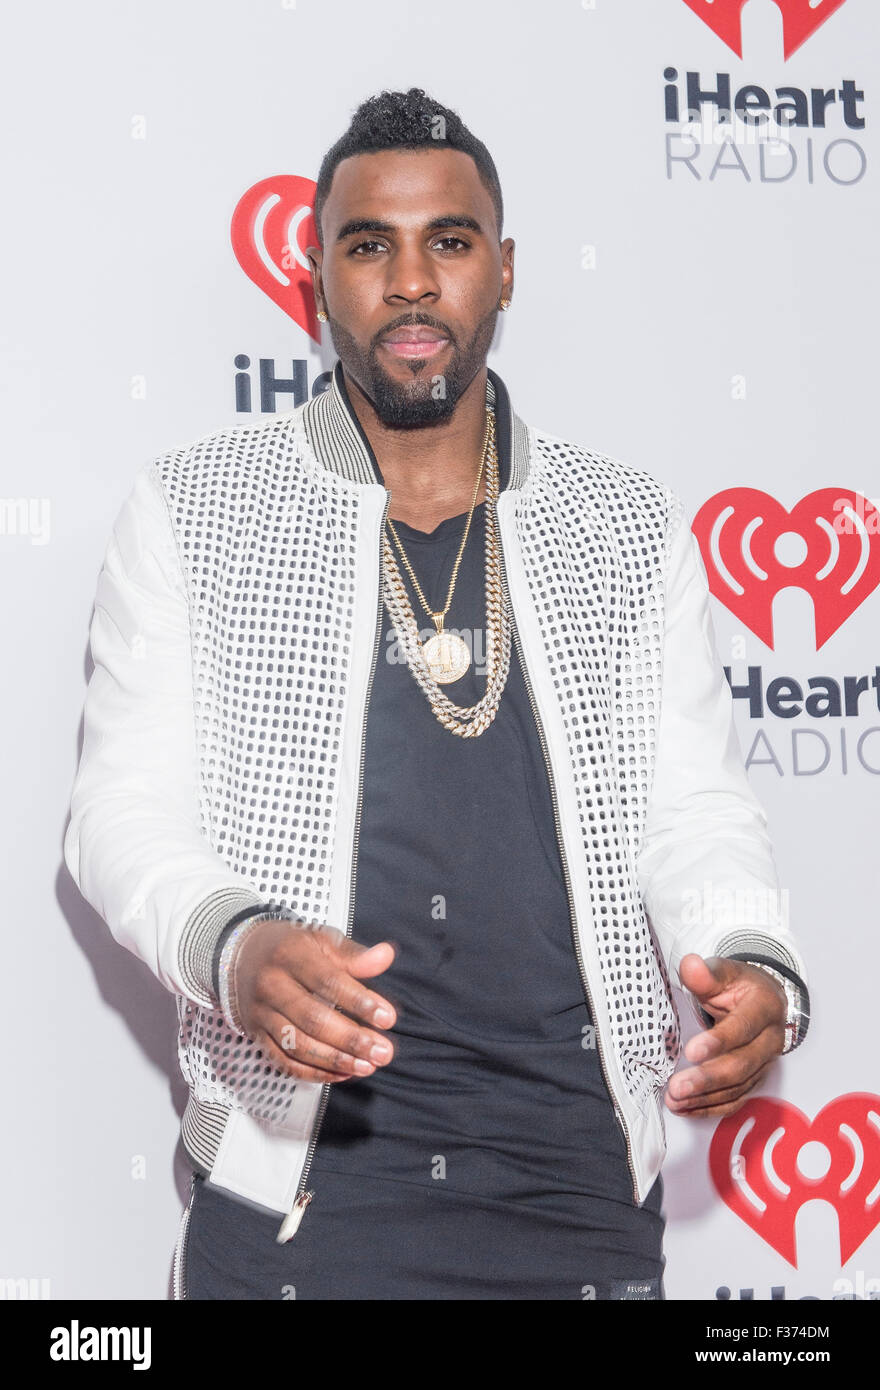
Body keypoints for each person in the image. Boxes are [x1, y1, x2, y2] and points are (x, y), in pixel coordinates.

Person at [64, 87, 810, 1301]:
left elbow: (693, 807)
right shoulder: (197, 508)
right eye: (371, 246)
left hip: (573, 1184)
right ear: (317, 279)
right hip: (302, 1189)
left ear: (504, 270)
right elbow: (122, 812)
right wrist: (236, 940)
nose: (411, 284)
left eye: (448, 243)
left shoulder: (621, 523)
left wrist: (744, 953)